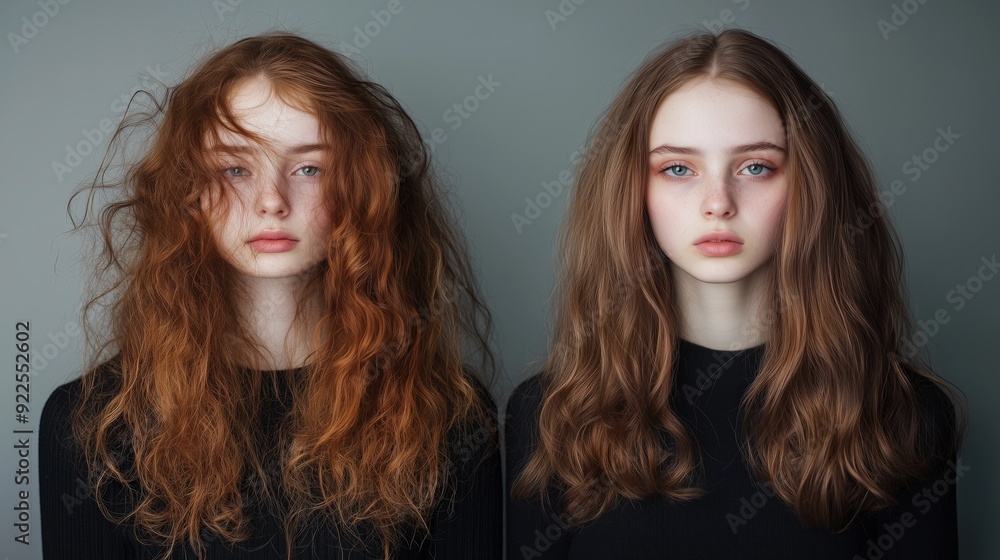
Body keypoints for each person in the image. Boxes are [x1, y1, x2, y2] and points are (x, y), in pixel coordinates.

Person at [506, 29, 965, 559]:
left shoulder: (901, 416)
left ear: (811, 185)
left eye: (755, 167)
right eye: (679, 169)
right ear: (633, 189)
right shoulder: (550, 418)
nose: (718, 202)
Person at [40, 32, 501, 560]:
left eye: (309, 168)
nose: (271, 201)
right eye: (235, 169)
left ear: (362, 188)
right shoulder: (92, 425)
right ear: (189, 192)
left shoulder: (450, 417)